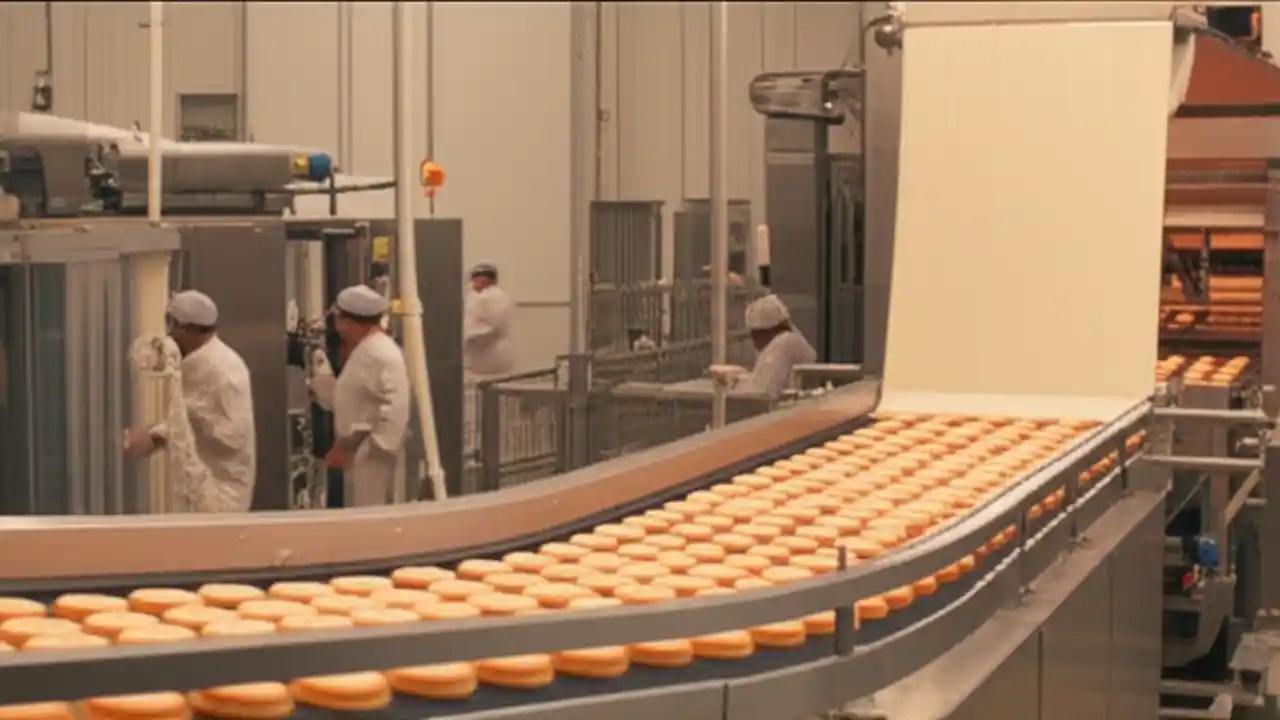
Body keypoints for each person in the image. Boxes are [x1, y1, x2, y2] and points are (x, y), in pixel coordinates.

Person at [123, 290, 257, 512]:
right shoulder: (197, 363)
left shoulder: (223, 371)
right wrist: (157, 433)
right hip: (200, 485)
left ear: (186, 328)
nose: (169, 334)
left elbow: (231, 435)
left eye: (172, 325)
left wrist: (160, 433)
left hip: (222, 493)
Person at [310, 285, 411, 507]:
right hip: (361, 452)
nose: (338, 329)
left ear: (347, 321)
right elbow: (354, 395)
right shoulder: (367, 350)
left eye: (338, 319)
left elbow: (396, 406)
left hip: (374, 456)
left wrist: (373, 447)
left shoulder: (381, 353)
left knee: (372, 521)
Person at [713, 294, 816, 400]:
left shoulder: (785, 343)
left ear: (765, 331)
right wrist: (739, 378)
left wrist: (734, 383)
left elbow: (762, 391)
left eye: (755, 334)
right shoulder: (789, 341)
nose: (754, 341)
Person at [463, 262, 515, 378]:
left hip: (492, 352)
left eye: (481, 276)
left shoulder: (496, 296)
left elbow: (495, 325)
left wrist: (472, 336)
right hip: (477, 355)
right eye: (475, 276)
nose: (476, 280)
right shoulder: (473, 296)